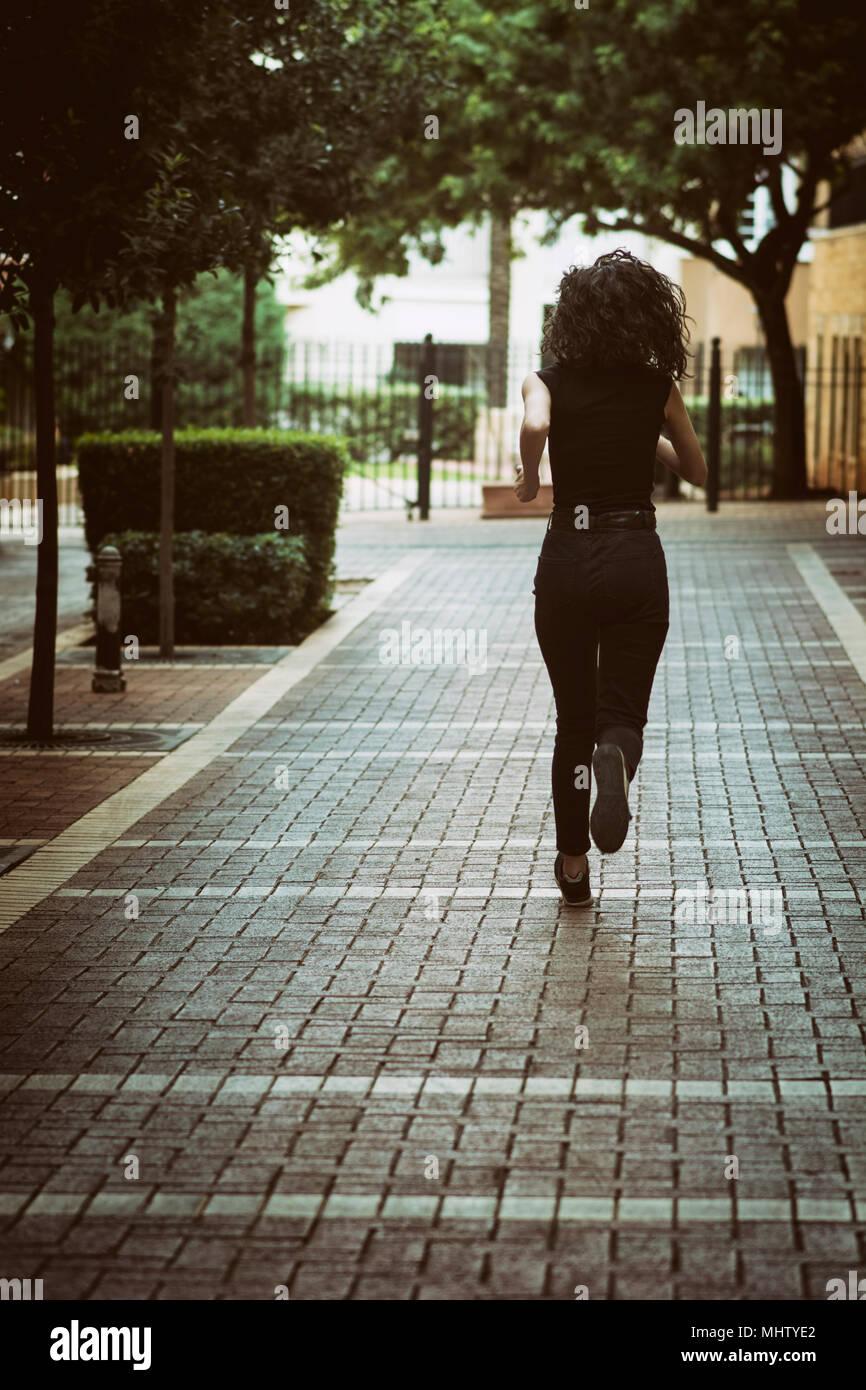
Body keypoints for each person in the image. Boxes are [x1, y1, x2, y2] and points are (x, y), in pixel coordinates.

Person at [514, 248, 707, 906]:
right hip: (634, 554)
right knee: (621, 712)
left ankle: (573, 866)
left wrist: (529, 475)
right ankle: (617, 759)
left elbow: (537, 423)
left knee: (573, 718)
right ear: (645, 317)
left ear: (571, 317)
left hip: (568, 552)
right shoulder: (657, 387)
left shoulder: (546, 380)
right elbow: (696, 471)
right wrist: (641, 430)